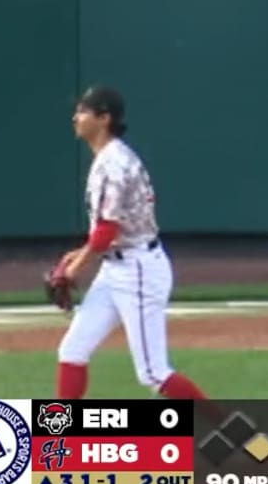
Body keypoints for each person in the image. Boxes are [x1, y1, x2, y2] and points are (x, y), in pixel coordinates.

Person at [52, 85, 209, 402]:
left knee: (153, 373)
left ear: (104, 118)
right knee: (73, 349)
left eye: (83, 111)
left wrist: (75, 269)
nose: (76, 117)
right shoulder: (110, 159)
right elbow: (107, 232)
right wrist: (81, 254)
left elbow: (107, 231)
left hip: (137, 270)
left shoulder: (113, 164)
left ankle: (242, 444)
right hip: (116, 268)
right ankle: (60, 444)